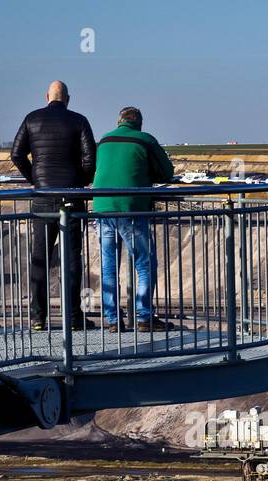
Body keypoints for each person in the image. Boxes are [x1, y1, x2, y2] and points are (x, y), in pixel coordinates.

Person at [10, 80, 96, 332]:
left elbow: (16, 154)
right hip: (71, 198)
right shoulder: (79, 121)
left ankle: (38, 318)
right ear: (67, 99)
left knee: (40, 258)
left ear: (47, 96)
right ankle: (72, 316)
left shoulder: (31, 119)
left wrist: (35, 179)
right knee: (71, 258)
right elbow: (90, 158)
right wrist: (79, 182)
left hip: (43, 198)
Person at [92, 106, 174, 331]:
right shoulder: (144, 139)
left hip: (101, 207)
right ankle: (144, 317)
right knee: (144, 263)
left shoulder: (105, 139)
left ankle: (112, 320)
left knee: (109, 266)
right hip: (129, 209)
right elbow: (168, 173)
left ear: (119, 122)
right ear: (139, 123)